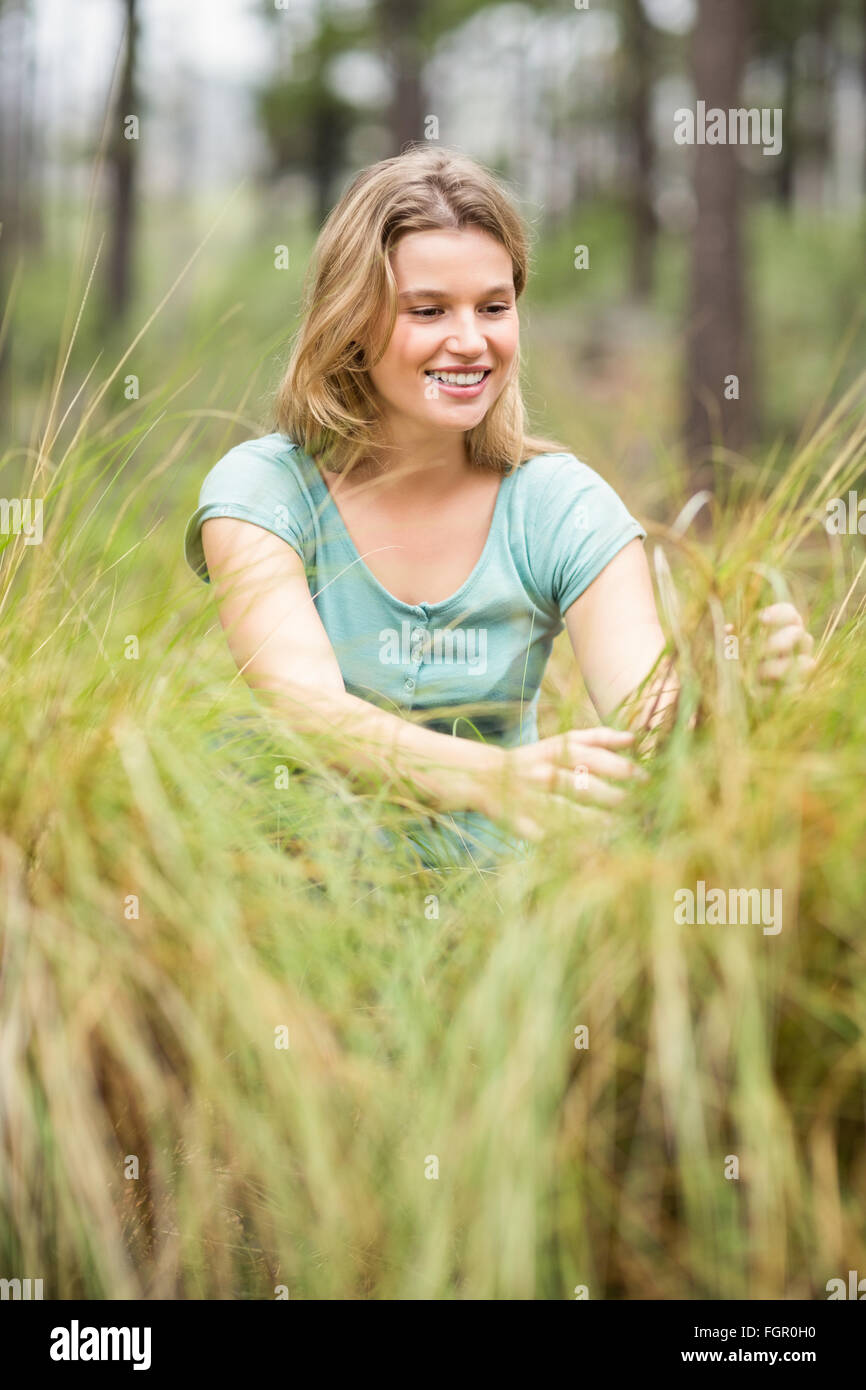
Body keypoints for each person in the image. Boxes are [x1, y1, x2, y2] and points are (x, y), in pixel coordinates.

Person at [183, 146, 814, 871]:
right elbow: (309, 714)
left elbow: (652, 725)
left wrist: (743, 702)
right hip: (282, 918)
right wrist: (495, 779)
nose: (470, 340)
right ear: (354, 320)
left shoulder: (562, 506)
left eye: (493, 307)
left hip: (500, 934)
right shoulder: (261, 493)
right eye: (428, 310)